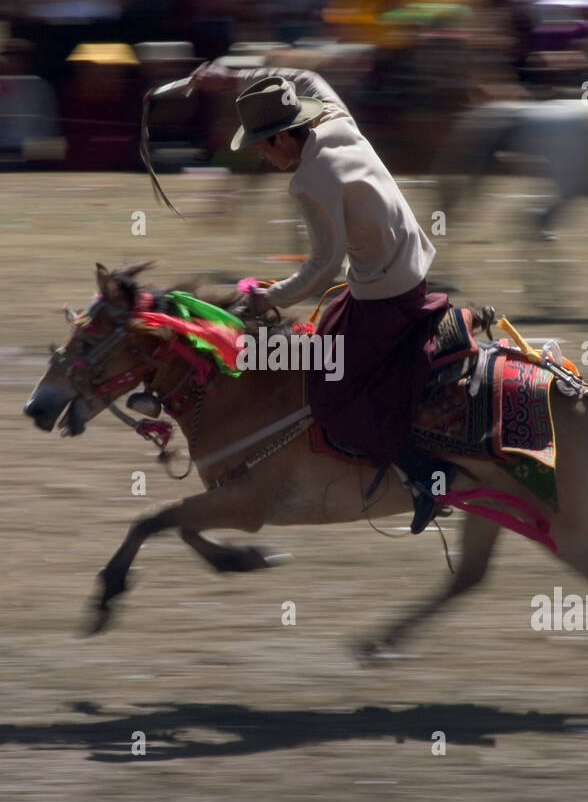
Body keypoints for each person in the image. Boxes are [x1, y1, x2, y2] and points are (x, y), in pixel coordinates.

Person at [193, 62, 456, 533]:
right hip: (406, 269)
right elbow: (306, 77)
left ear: (280, 138)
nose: (261, 159)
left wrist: (268, 298)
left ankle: (426, 477)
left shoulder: (309, 181)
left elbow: (324, 265)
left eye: (260, 146)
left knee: (332, 394)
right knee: (314, 345)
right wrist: (234, 72)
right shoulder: (337, 121)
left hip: (385, 295)